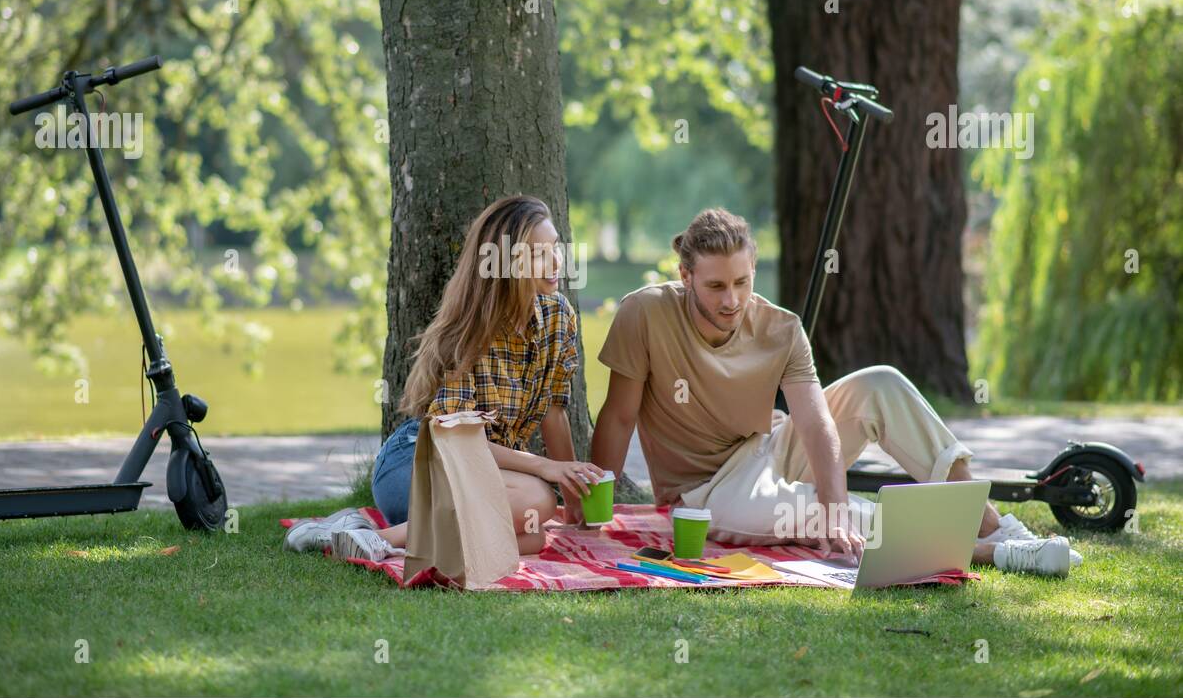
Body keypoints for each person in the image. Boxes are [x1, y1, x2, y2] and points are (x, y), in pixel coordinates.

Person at [589, 207, 1082, 578]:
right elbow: (618, 417)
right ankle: (996, 553)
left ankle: (992, 522)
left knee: (881, 383)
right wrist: (595, 515)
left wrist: (833, 503)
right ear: (686, 275)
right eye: (716, 286)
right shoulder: (645, 313)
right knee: (802, 515)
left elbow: (817, 420)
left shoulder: (782, 328)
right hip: (705, 492)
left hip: (769, 448)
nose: (731, 300)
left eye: (742, 281)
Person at [284, 195, 606, 560]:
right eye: (538, 253)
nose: (555, 262)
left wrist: (575, 491)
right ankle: (383, 539)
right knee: (537, 499)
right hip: (420, 463)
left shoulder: (558, 315)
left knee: (532, 538)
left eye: (555, 248)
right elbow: (454, 438)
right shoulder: (469, 332)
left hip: (487, 474)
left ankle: (356, 536)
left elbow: (553, 410)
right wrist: (546, 467)